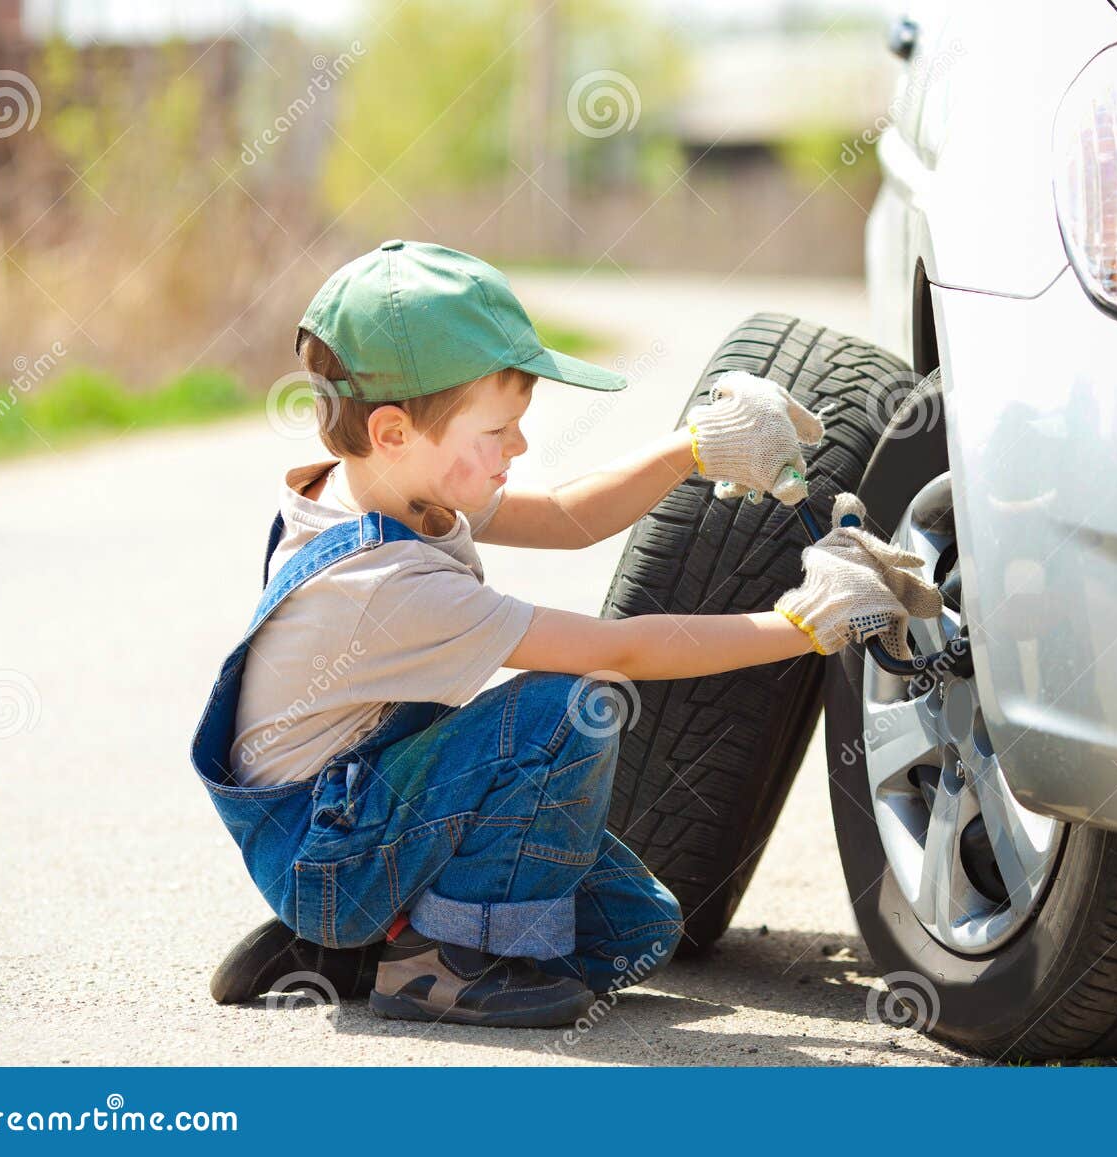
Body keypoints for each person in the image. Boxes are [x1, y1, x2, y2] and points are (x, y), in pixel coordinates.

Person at [189, 240, 940, 1027]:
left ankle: (363, 943)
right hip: (331, 849)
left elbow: (566, 516)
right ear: (394, 431)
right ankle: (440, 964)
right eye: (499, 429)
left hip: (359, 815)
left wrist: (698, 446)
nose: (518, 446)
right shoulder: (385, 584)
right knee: (567, 710)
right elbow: (621, 650)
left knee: (639, 928)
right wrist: (803, 623)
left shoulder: (390, 484)